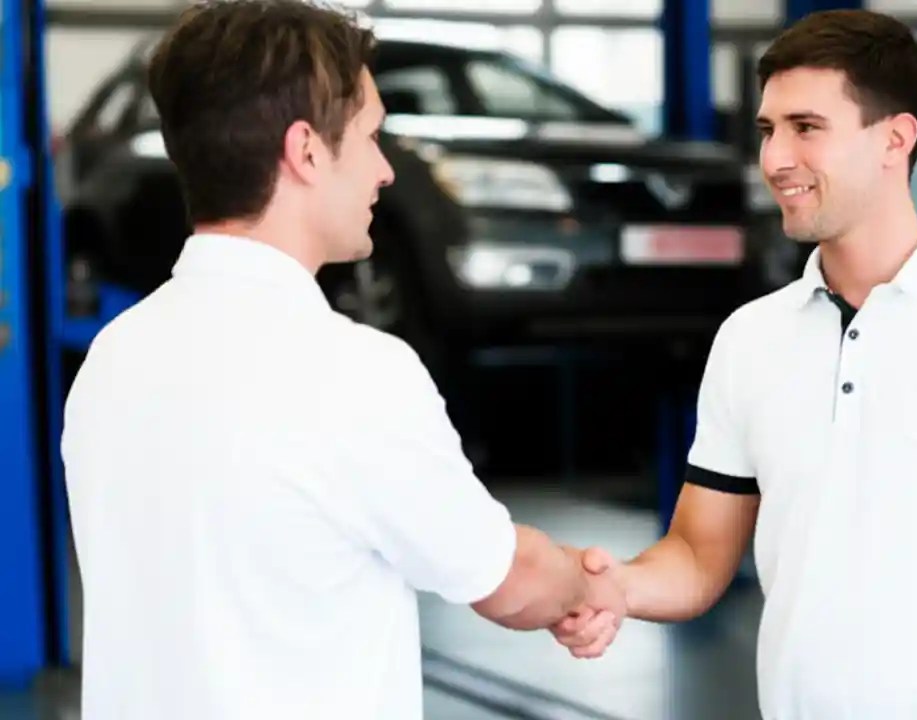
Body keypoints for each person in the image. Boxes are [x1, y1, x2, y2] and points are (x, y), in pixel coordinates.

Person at [552, 9, 917, 720]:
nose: (775, 158)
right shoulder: (750, 339)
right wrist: (618, 588)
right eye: (769, 130)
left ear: (895, 139)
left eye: (806, 128)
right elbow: (697, 553)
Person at [60, 2, 622, 718]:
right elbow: (508, 579)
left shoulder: (112, 360)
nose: (385, 170)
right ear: (306, 151)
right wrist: (590, 585)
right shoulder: (356, 374)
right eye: (370, 136)